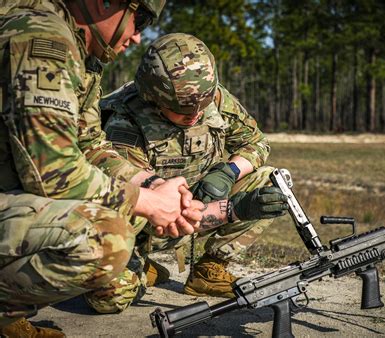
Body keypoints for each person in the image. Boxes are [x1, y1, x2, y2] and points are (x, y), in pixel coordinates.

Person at [0, 1, 205, 336]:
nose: (138, 37)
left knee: (130, 211)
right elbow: (52, 172)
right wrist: (149, 203)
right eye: (140, 19)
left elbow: (90, 144)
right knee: (105, 240)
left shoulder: (80, 50)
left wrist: (152, 185)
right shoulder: (43, 36)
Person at [95, 33, 280, 312]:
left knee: (270, 180)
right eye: (182, 109)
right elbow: (156, 207)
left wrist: (230, 171)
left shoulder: (210, 96)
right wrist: (233, 209)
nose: (194, 114)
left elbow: (256, 142)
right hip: (144, 222)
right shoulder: (124, 121)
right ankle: (139, 266)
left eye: (201, 105)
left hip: (193, 206)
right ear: (154, 99)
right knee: (111, 300)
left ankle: (210, 269)